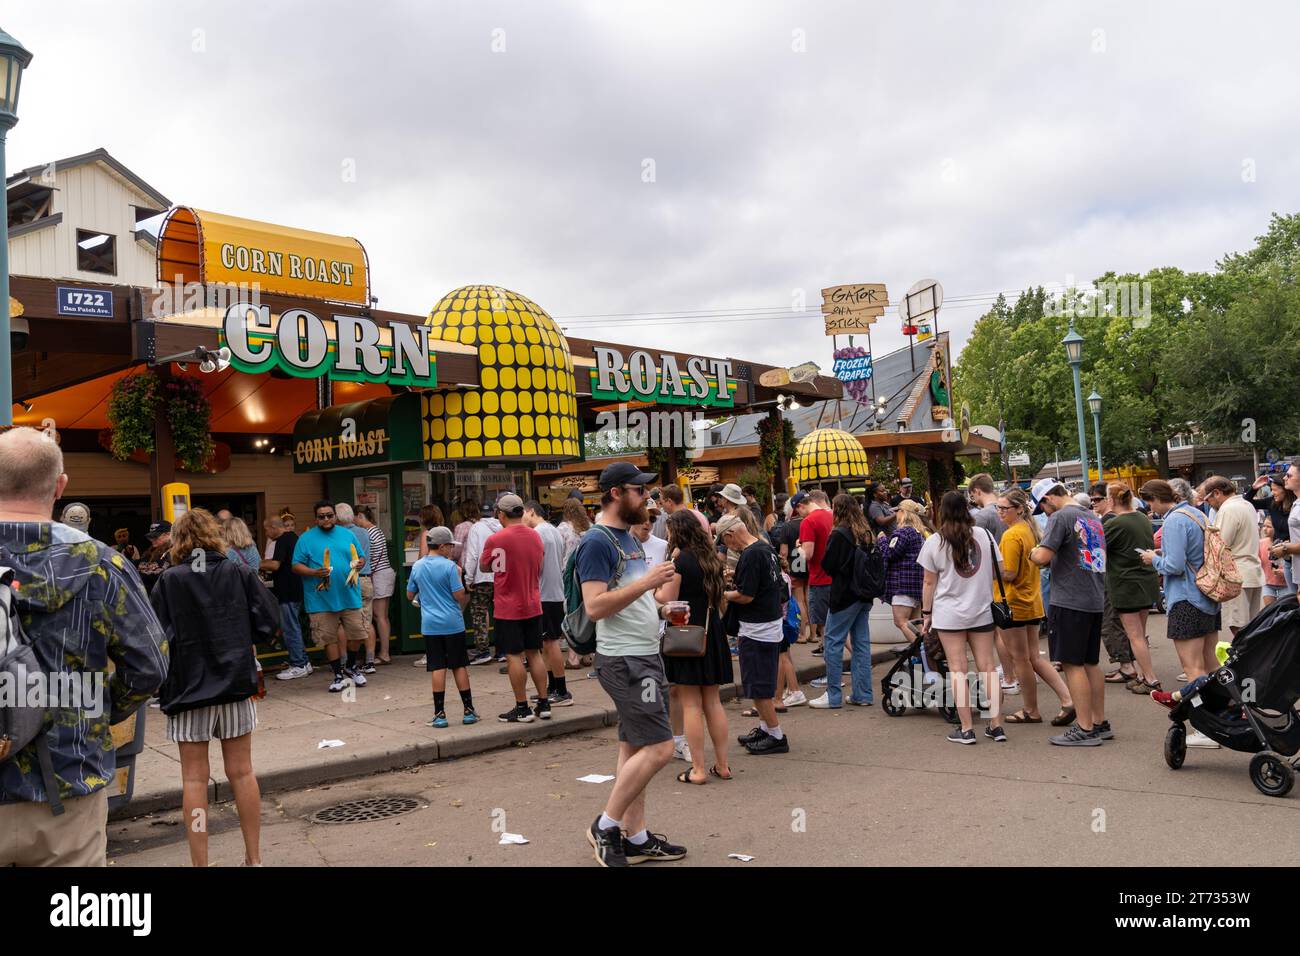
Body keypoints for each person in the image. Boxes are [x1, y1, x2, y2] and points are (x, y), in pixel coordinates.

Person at [0, 427, 168, 867]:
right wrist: (96, 711)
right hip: (69, 779)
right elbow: (150, 664)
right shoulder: (102, 563)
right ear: (60, 486)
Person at [151, 508, 277, 867]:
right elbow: (268, 621)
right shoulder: (237, 571)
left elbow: (156, 637)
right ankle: (254, 859)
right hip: (235, 682)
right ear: (214, 535)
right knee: (242, 772)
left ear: (178, 540)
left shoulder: (170, 580)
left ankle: (200, 863)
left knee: (194, 781)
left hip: (187, 689)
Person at [578, 462, 684, 867]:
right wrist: (648, 583)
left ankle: (635, 837)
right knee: (659, 747)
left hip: (641, 652)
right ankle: (605, 826)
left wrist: (661, 608)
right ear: (617, 492)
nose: (648, 498)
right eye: (640, 491)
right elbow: (595, 606)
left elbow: (633, 597)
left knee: (635, 747)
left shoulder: (628, 538)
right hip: (625, 660)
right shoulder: (598, 542)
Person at [1138, 479, 1221, 749]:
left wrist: (1154, 559)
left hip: (1185, 599)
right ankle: (1221, 716)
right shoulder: (1197, 513)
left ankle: (1206, 728)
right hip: (1207, 596)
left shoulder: (1174, 521)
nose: (1151, 510)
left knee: (1193, 668)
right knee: (1211, 665)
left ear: (1156, 499)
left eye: (1149, 502)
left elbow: (1173, 566)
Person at [918, 491, 1006, 744]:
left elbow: (928, 582)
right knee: (988, 667)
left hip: (949, 614)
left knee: (957, 669)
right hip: (981, 610)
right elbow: (998, 570)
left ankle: (966, 728)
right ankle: (996, 724)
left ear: (941, 511)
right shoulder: (985, 536)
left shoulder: (935, 541)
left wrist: (926, 614)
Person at [1029, 479, 1111, 747]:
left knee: (1072, 664)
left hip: (1069, 599)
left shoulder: (1061, 517)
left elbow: (1042, 557)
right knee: (1090, 663)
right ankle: (1099, 722)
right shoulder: (1092, 516)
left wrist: (1032, 552)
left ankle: (1085, 727)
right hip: (1093, 597)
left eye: (1044, 507)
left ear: (1049, 499)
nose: (1046, 513)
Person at [655, 509, 734, 784]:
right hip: (712, 634)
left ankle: (698, 769)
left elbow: (666, 599)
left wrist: (653, 588)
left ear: (677, 532)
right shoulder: (711, 559)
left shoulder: (680, 563)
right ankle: (722, 765)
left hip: (686, 636)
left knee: (690, 704)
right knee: (713, 702)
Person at [996, 489, 1074, 726]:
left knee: (1021, 658)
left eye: (1004, 508)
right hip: (1031, 600)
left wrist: (987, 568)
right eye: (998, 508)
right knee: (1033, 657)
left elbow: (1008, 573)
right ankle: (1068, 699)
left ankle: (1031, 709)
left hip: (1012, 602)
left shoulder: (1011, 535)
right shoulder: (1030, 530)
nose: (1000, 512)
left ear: (1019, 509)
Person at [720, 513, 790, 754]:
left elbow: (746, 595)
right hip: (769, 623)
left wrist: (724, 595)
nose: (727, 546)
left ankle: (776, 734)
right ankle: (766, 728)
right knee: (760, 683)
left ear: (730, 535)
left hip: (757, 628)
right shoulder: (765, 548)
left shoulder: (750, 554)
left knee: (757, 687)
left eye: (725, 540)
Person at [481, 494, 550, 723]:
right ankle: (543, 702)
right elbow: (540, 567)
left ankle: (522, 707)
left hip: (507, 606)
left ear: (501, 514)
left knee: (513, 656)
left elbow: (484, 564)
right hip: (532, 602)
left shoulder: (496, 538)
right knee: (535, 653)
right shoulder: (535, 537)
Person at [292, 500, 369, 693]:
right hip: (320, 598)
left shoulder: (348, 534)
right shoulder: (306, 539)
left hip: (349, 594)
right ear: (316, 518)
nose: (326, 519)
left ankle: (351, 667)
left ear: (335, 516)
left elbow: (361, 556)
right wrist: (313, 572)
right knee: (328, 639)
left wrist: (360, 563)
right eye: (321, 516)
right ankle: (337, 675)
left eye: (329, 515)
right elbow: (295, 565)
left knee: (357, 634)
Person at [407, 527, 479, 727]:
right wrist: (459, 577)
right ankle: (468, 710)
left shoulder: (418, 566)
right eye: (449, 546)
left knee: (438, 667)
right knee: (459, 665)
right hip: (453, 624)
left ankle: (439, 714)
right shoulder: (450, 567)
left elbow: (409, 595)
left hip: (430, 625)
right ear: (441, 546)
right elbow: (458, 596)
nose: (451, 550)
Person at [809, 494, 876, 708]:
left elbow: (828, 565)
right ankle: (863, 693)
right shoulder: (865, 533)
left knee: (833, 642)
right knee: (861, 644)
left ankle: (833, 695)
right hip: (863, 594)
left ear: (838, 510)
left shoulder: (839, 534)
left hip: (844, 594)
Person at [1101, 483, 1162, 693]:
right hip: (1146, 580)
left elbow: (1094, 550)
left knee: (1134, 635)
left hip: (1125, 583)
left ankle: (1150, 679)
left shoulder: (1115, 523)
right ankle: (1145, 675)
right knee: (1140, 634)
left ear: (1111, 500)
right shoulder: (1142, 518)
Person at [523, 500, 573, 706]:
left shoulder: (537, 533)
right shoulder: (553, 530)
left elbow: (537, 564)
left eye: (524, 513)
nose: (522, 518)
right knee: (546, 643)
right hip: (555, 592)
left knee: (550, 643)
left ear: (532, 511)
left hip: (545, 594)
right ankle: (552, 687)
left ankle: (561, 689)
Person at [1204, 476, 1263, 637]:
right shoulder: (1247, 505)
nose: (1208, 503)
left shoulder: (1228, 509)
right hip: (1252, 571)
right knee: (1250, 626)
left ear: (1216, 493)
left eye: (1207, 499)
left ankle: (1247, 661)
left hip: (1235, 575)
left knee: (1238, 626)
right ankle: (1252, 659)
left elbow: (1220, 544)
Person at [262, 516, 310, 681]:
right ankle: (305, 662)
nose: (266, 534)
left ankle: (298, 665)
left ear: (274, 527)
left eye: (267, 530)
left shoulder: (282, 540)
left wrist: (253, 563)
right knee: (294, 626)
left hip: (287, 590)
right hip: (297, 588)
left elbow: (275, 565)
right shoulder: (294, 537)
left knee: (290, 628)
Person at [334, 503, 376, 673]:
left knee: (343, 622)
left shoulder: (340, 535)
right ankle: (370, 661)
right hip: (366, 579)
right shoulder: (364, 532)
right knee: (366, 621)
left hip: (350, 581)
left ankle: (344, 661)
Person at [462, 501, 502, 666]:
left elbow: (472, 555)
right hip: (500, 577)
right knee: (501, 615)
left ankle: (483, 651)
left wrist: (468, 579)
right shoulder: (501, 527)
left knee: (479, 614)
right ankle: (503, 650)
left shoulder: (476, 528)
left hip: (482, 577)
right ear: (493, 512)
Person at [355, 506, 396, 665]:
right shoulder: (377, 530)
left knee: (379, 617)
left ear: (360, 516)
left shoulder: (369, 533)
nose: (355, 523)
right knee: (382, 616)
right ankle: (384, 652)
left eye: (355, 519)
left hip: (379, 575)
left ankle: (384, 653)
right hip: (385, 573)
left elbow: (369, 557)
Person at [557, 497, 594, 670]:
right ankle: (587, 655)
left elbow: (559, 554)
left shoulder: (563, 529)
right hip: (587, 573)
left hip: (568, 574)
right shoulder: (590, 527)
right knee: (586, 612)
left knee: (571, 611)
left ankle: (573, 658)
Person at [883, 499, 927, 643]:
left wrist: (882, 540)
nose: (895, 514)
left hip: (902, 585)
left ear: (903, 513)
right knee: (917, 624)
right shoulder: (919, 533)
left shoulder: (902, 533)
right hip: (916, 585)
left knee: (901, 622)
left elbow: (890, 554)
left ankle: (922, 655)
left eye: (897, 511)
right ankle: (925, 661)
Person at [799, 490, 834, 652]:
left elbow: (807, 554)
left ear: (801, 506)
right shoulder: (832, 516)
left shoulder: (808, 521)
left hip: (820, 580)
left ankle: (833, 670)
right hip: (836, 579)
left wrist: (798, 547)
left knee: (826, 627)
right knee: (837, 626)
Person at [1250, 475, 1295, 592]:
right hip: (1286, 558)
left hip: (1296, 553)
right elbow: (1248, 502)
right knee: (1294, 597)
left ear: (1285, 489)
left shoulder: (1296, 505)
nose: (1272, 493)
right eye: (1271, 489)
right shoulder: (1271, 503)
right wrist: (1255, 487)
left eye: (1275, 490)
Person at [779, 491, 811, 642]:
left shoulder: (787, 527)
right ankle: (814, 634)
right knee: (809, 597)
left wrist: (782, 566)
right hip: (809, 561)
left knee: (799, 600)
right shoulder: (809, 522)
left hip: (795, 564)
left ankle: (802, 634)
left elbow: (784, 552)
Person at [135, 520, 173, 594]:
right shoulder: (149, 552)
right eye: (150, 537)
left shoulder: (175, 553)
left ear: (168, 535)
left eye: (155, 537)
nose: (152, 540)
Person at [968, 473, 1006, 542]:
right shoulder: (1008, 509)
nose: (974, 501)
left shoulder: (981, 516)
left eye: (972, 496)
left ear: (977, 491)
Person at [1260, 518, 1288, 606]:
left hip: (1285, 585)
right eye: (1264, 526)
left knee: (1283, 613)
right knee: (1269, 612)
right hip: (1267, 584)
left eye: (1269, 526)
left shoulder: (1286, 544)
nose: (1265, 529)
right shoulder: (1261, 543)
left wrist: (1284, 572)